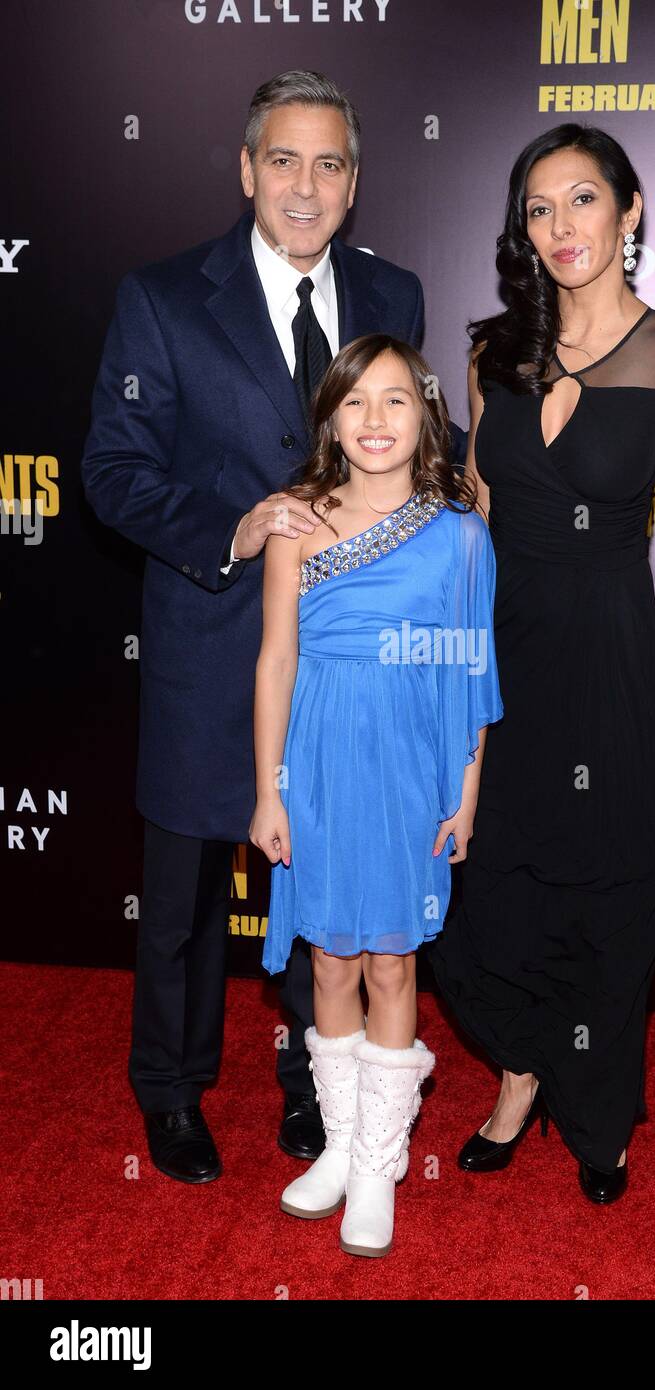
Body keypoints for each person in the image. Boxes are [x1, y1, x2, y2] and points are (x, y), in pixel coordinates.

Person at [80, 69, 467, 1185]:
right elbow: (111, 469)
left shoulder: (393, 290)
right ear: (247, 170)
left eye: (330, 163)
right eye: (284, 161)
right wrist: (235, 527)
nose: (306, 186)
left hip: (357, 663)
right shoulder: (161, 296)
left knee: (336, 877)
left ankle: (319, 1083)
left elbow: (411, 452)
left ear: (354, 181)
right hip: (215, 641)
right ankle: (172, 1089)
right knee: (190, 896)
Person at [429, 123, 655, 1205]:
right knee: (488, 888)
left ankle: (596, 1110)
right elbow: (472, 516)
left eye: (579, 201)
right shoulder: (491, 357)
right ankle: (519, 1071)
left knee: (612, 896)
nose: (558, 226)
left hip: (607, 663)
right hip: (498, 663)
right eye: (536, 209)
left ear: (629, 210)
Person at [250, 334, 504, 1257]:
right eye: (356, 403)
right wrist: (267, 790)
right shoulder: (295, 523)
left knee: (394, 963)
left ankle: (379, 1162)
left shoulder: (461, 534)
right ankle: (344, 1146)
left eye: (396, 401)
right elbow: (276, 661)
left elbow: (471, 677)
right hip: (315, 760)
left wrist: (465, 794)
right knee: (326, 962)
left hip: (408, 767)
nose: (376, 421)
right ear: (331, 419)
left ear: (425, 416)